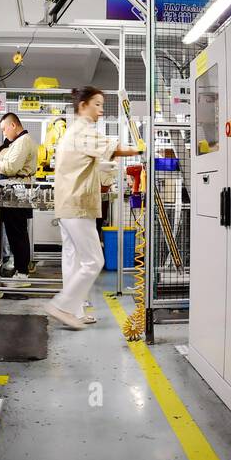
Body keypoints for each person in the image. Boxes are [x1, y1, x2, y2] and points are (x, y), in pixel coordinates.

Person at [46, 86, 142, 329]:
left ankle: (74, 312)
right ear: (83, 106)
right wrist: (140, 148)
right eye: (97, 104)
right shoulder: (82, 130)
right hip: (77, 205)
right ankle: (62, 306)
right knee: (93, 261)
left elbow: (101, 156)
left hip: (68, 205)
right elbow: (113, 148)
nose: (101, 110)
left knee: (73, 260)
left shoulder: (74, 131)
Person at [0, 112, 37, 280]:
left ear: (13, 125)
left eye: (4, 129)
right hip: (13, 190)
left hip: (17, 190)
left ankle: (22, 272)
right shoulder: (18, 142)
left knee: (17, 232)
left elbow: (10, 168)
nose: (4, 133)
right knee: (14, 231)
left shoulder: (23, 141)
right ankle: (19, 269)